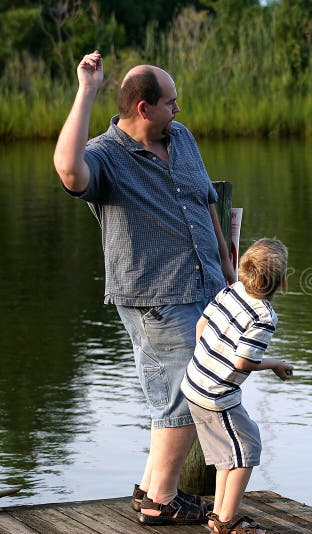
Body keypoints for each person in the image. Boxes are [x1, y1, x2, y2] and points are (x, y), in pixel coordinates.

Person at [53, 50, 236, 525]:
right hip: (156, 297)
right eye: (171, 102)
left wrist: (229, 267)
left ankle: (151, 486)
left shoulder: (182, 138)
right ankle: (160, 501)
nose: (179, 109)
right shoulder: (105, 156)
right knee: (189, 393)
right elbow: (68, 171)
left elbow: (206, 200)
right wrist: (86, 90)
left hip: (206, 285)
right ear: (144, 107)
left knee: (176, 392)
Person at [181, 238, 294, 534]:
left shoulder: (231, 290)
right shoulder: (263, 316)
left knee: (227, 454)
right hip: (217, 394)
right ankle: (227, 520)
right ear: (281, 282)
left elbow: (200, 327)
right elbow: (244, 362)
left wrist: (208, 359)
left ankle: (218, 514)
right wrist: (276, 363)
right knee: (248, 448)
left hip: (195, 381)